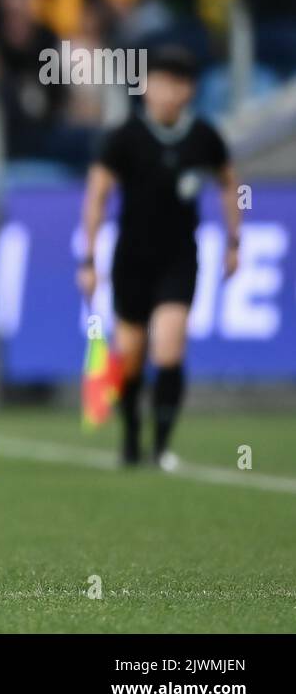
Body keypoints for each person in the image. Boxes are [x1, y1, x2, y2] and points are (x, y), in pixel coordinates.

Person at [77, 46, 240, 469]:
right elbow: (97, 194)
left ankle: (162, 446)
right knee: (129, 356)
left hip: (179, 257)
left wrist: (234, 240)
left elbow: (230, 184)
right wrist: (89, 258)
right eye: (161, 82)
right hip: (132, 259)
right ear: (146, 86)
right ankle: (131, 437)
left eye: (179, 84)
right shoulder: (124, 138)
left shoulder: (204, 136)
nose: (169, 93)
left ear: (190, 91)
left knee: (169, 348)